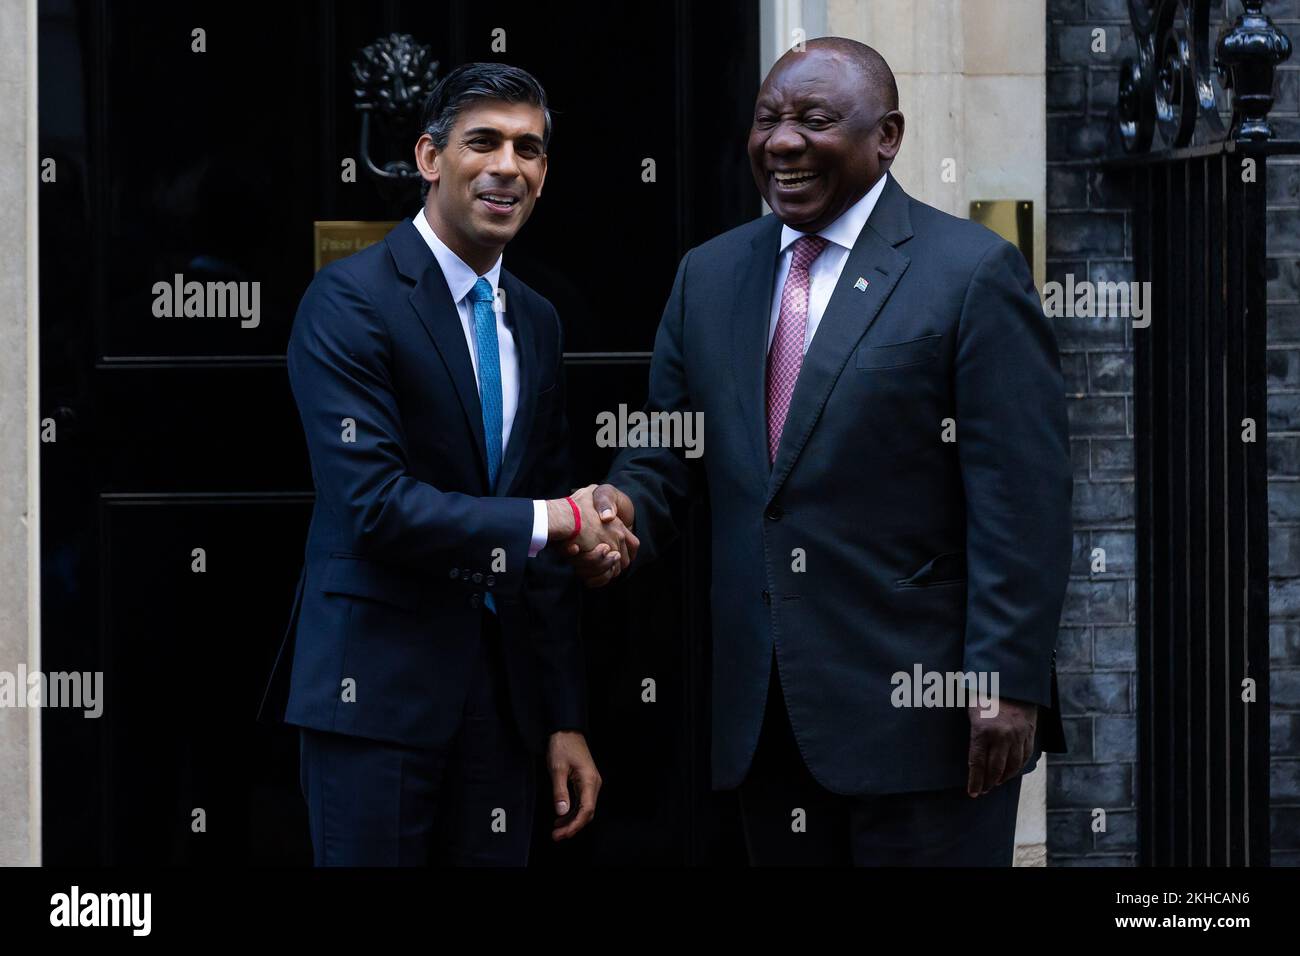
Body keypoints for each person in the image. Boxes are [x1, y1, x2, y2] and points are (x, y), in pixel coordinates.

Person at [570, 37, 1071, 866]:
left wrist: (1008, 680)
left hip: (926, 718)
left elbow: (1022, 494)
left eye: (814, 119)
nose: (782, 141)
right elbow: (668, 448)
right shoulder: (709, 273)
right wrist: (619, 509)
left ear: (888, 136)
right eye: (768, 119)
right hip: (766, 714)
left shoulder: (972, 271)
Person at [257, 62, 627, 865]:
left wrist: (564, 714)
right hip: (376, 698)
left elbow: (548, 525)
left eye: (528, 150)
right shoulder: (350, 300)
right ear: (429, 157)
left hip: (505, 706)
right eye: (482, 142)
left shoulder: (537, 319)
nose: (507, 166)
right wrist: (557, 520)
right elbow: (374, 504)